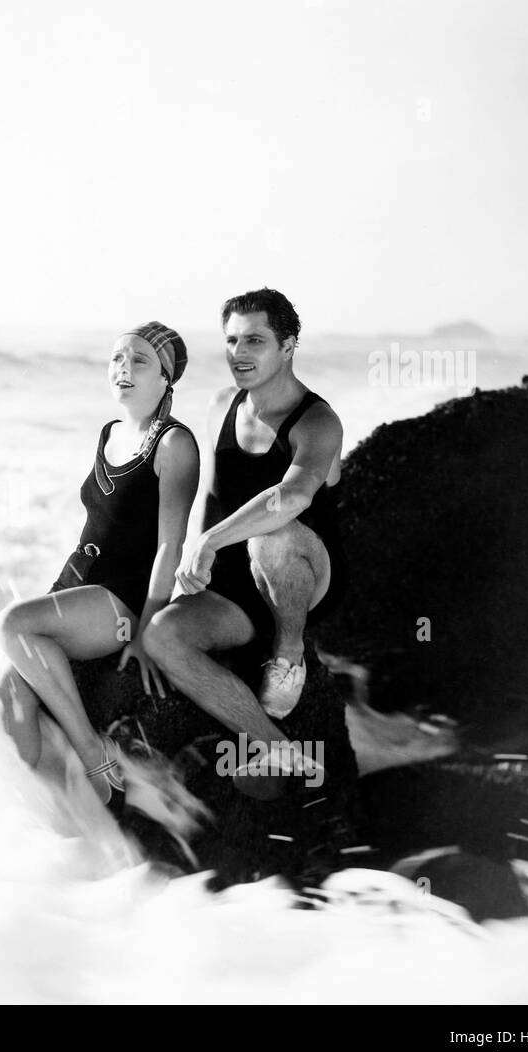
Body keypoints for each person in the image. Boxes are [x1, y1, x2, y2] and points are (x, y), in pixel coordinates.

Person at [142, 289, 347, 791]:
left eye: (255, 340)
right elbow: (207, 500)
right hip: (235, 588)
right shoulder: (221, 406)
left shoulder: (318, 421)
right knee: (161, 636)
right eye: (231, 340)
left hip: (303, 571)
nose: (239, 352)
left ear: (289, 346)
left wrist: (211, 541)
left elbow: (293, 495)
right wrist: (184, 579)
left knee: (269, 540)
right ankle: (273, 743)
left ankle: (290, 651)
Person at [0, 323, 199, 808]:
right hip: (80, 585)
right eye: (117, 358)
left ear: (166, 378)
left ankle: (94, 752)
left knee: (14, 623)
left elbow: (170, 546)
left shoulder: (174, 445)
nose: (123, 368)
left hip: (122, 599)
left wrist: (149, 631)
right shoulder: (109, 432)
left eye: (140, 360)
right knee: (9, 690)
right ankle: (43, 818)